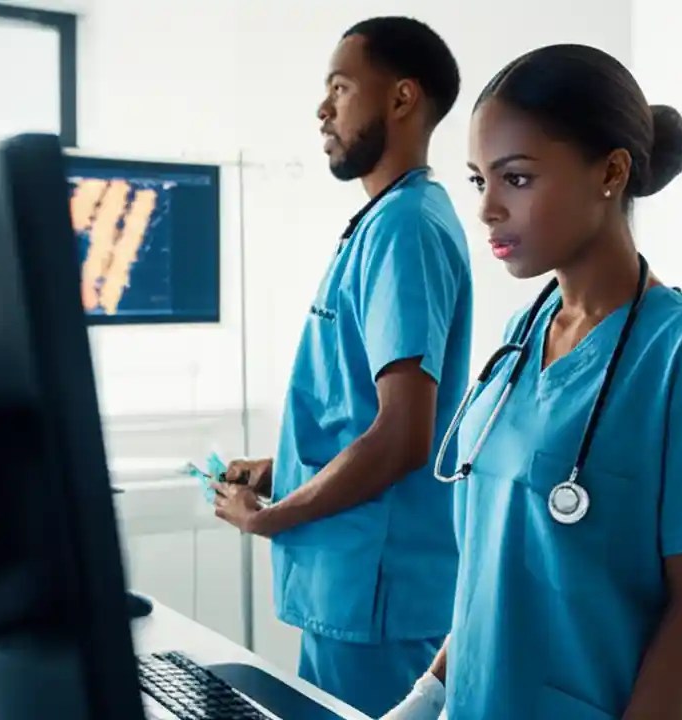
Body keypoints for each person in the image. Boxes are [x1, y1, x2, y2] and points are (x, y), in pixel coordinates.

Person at [382, 44, 682, 720]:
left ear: (611, 172)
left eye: (517, 179)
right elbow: (492, 575)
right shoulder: (517, 345)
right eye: (479, 181)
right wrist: (429, 694)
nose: (489, 210)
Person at [209, 17, 471, 717]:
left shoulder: (406, 227)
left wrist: (271, 519)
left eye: (340, 87)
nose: (322, 110)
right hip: (350, 587)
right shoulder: (382, 222)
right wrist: (279, 468)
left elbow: (403, 435)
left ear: (402, 98)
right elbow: (354, 409)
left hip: (374, 592)